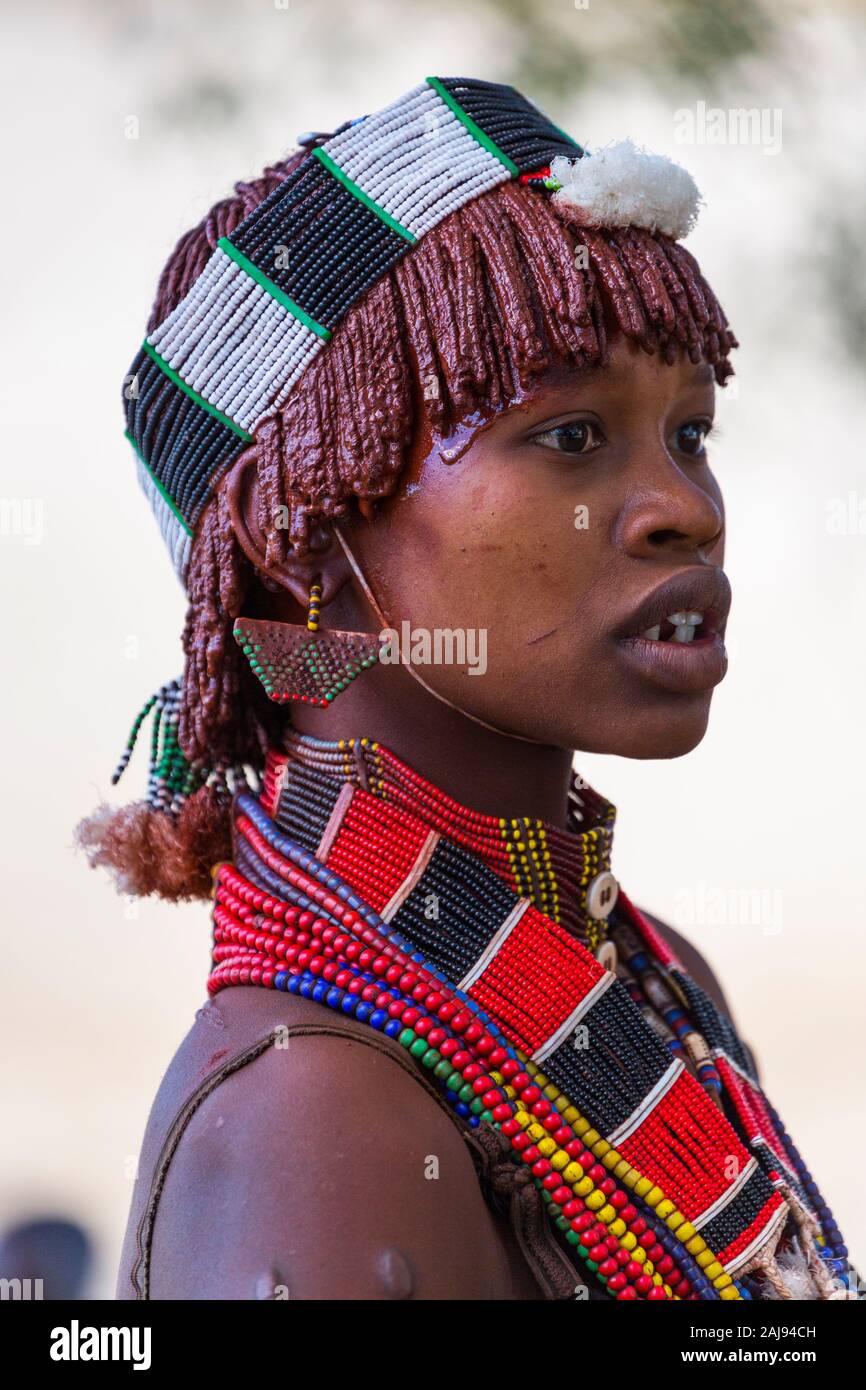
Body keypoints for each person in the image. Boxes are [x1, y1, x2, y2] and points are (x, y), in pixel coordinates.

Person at [79, 77, 853, 1301]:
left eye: (691, 433)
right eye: (569, 436)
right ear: (300, 533)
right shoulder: (313, 1122)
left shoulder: (654, 984)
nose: (684, 511)